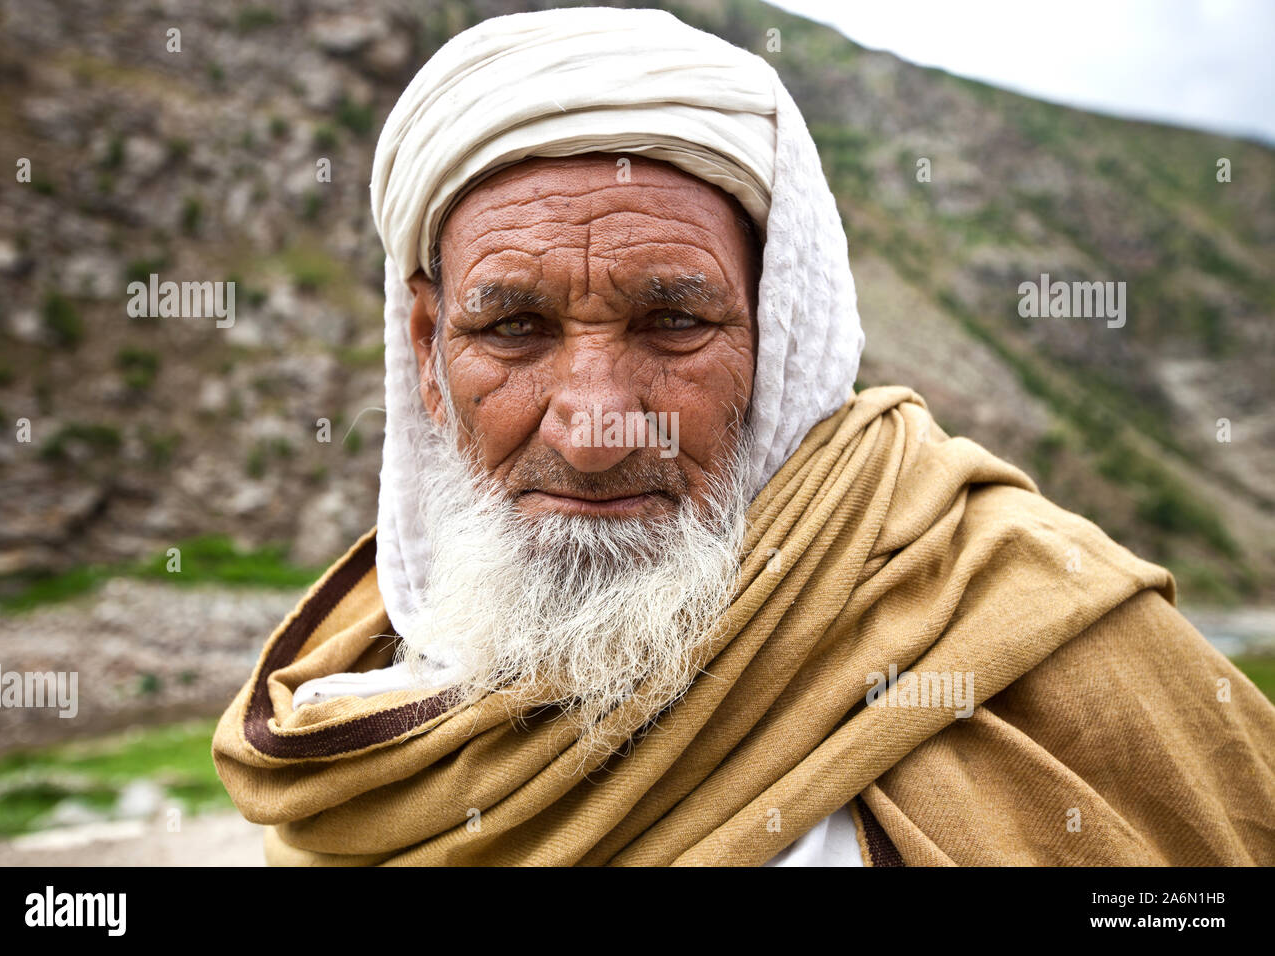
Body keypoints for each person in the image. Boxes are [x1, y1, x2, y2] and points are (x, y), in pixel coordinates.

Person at [212, 7, 1275, 866]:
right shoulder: (349, 711)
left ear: (782, 337)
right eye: (513, 328)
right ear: (430, 346)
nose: (592, 429)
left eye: (674, 321)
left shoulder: (1038, 615)